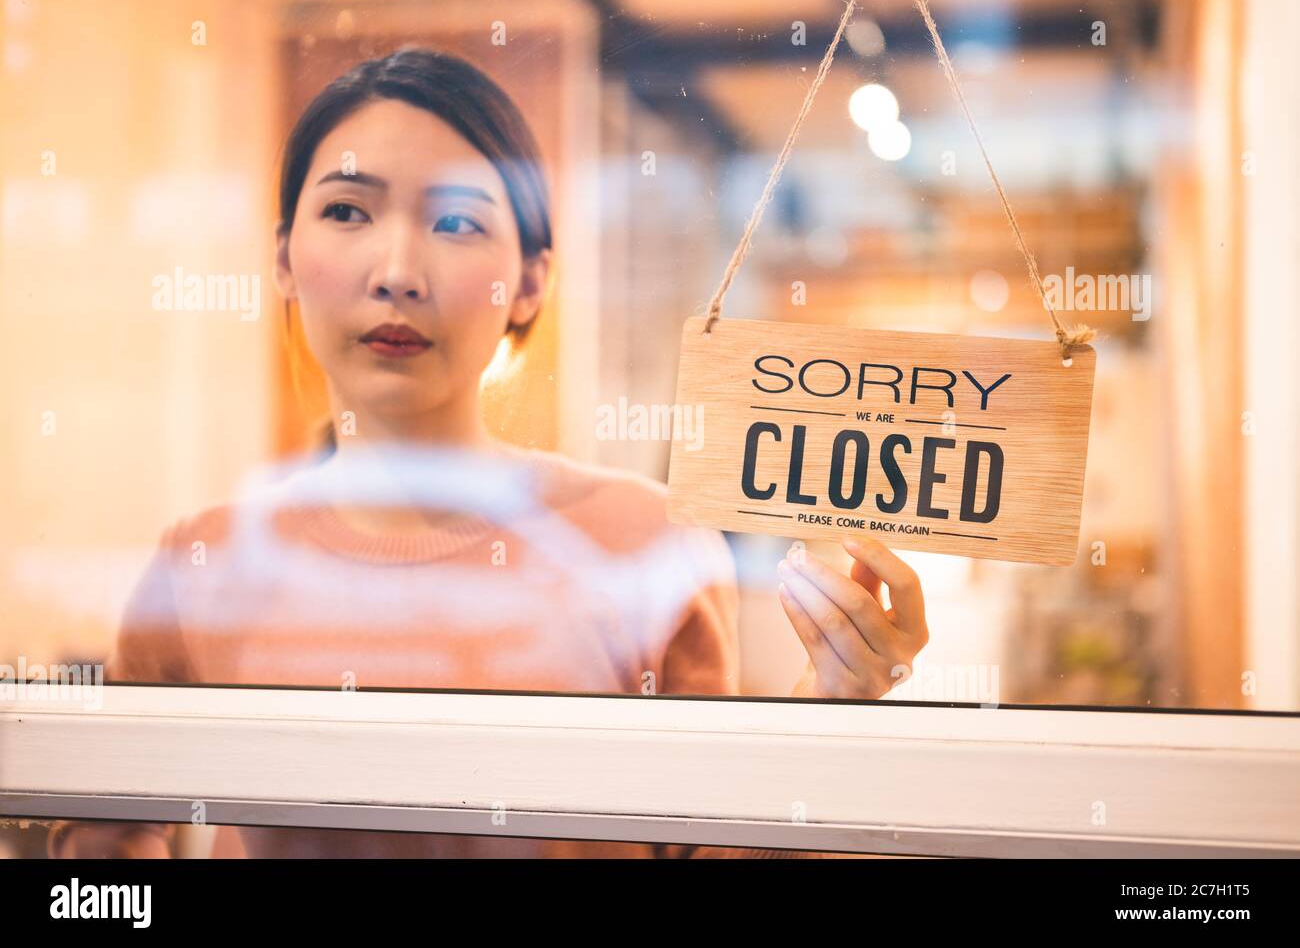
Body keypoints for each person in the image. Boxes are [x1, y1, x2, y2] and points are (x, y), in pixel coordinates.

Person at [48, 47, 929, 859]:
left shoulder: (643, 542)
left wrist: (831, 711)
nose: (397, 269)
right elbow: (100, 857)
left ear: (532, 279)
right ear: (283, 257)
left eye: (459, 221)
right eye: (347, 210)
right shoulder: (205, 561)